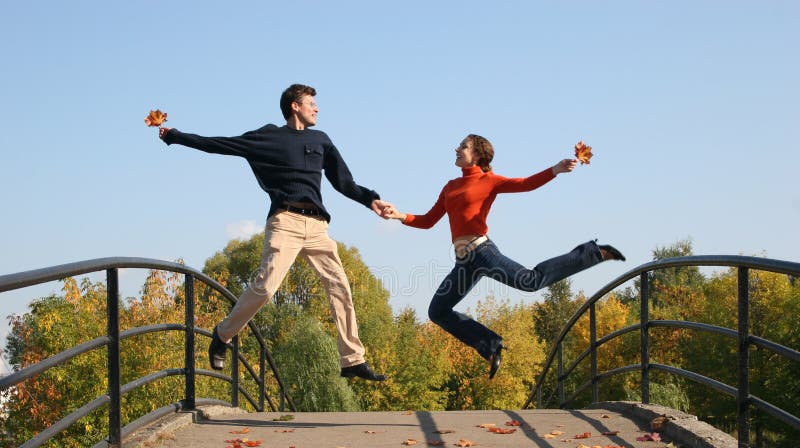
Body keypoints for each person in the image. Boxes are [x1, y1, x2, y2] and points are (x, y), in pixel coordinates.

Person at [158, 83, 389, 381]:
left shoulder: (322, 140)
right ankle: (223, 334)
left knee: (340, 288)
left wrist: (371, 200)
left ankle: (352, 359)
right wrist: (176, 137)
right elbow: (220, 144)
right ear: (295, 106)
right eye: (311, 103)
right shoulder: (268, 137)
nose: (317, 108)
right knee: (266, 288)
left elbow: (344, 182)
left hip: (318, 227)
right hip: (286, 223)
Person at [382, 134, 625, 379]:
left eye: (463, 146)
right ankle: (490, 346)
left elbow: (525, 183)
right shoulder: (450, 187)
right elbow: (428, 220)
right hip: (464, 263)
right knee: (438, 311)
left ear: (476, 154)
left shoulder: (489, 181)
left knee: (530, 281)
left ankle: (594, 252)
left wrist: (555, 170)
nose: (457, 149)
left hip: (483, 252)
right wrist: (399, 215)